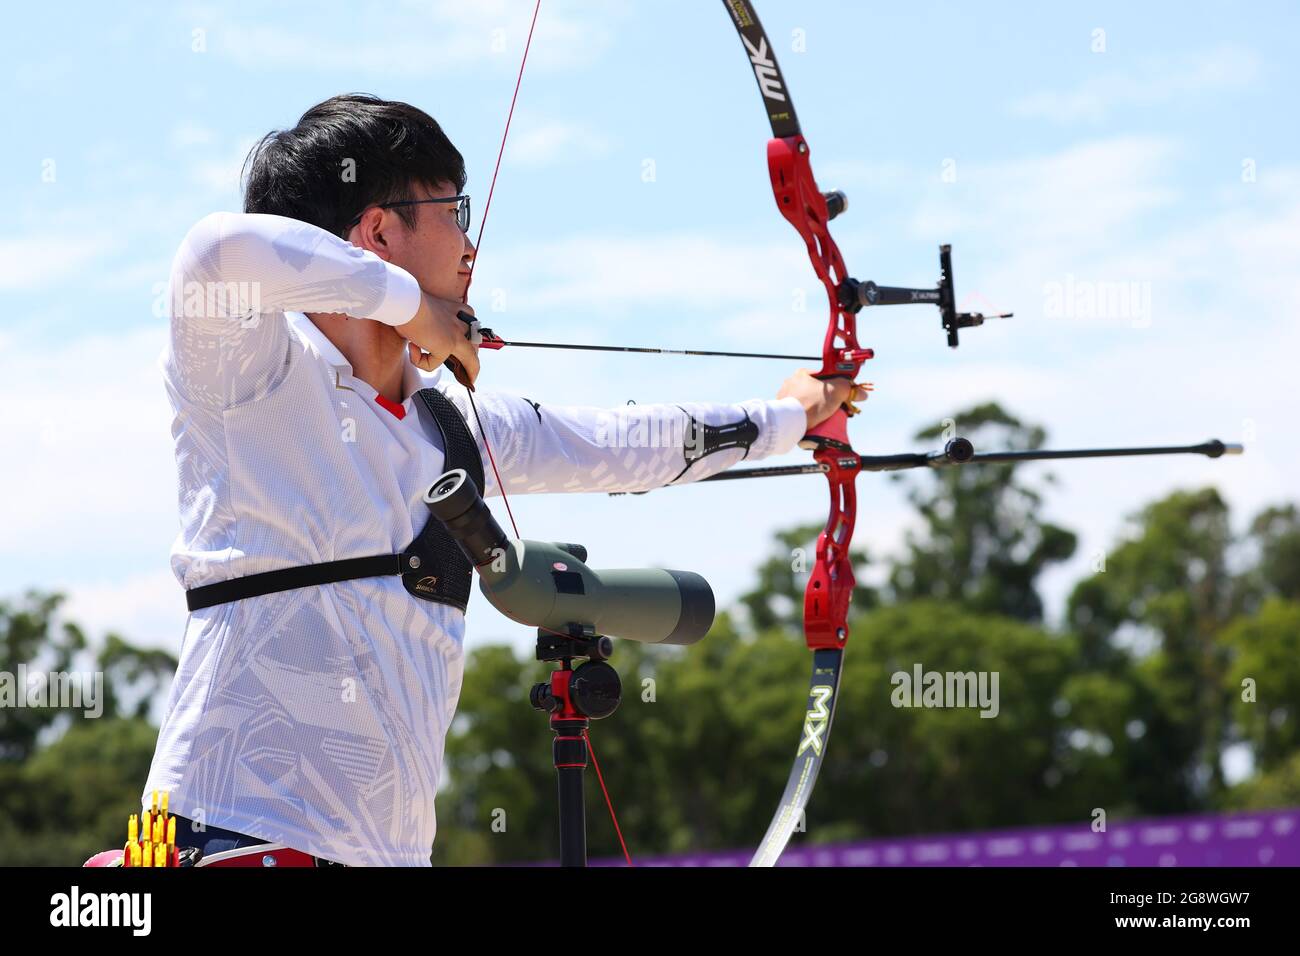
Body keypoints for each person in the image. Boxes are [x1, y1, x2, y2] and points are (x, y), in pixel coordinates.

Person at [141, 93, 865, 867]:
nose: (469, 243)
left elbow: (620, 444)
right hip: (230, 835)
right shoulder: (253, 379)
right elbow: (215, 251)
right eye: (453, 210)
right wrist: (412, 307)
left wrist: (790, 417)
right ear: (380, 232)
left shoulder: (450, 426)